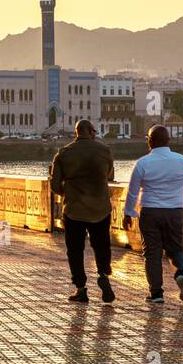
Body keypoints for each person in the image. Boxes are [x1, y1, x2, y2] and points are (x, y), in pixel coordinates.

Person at [122, 125, 183, 304]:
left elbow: (132, 192)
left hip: (151, 211)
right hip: (174, 211)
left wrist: (129, 212)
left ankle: (156, 293)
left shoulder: (143, 163)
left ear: (150, 141)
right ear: (168, 140)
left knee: (152, 253)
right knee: (175, 248)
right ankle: (181, 274)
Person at [49, 119, 116, 303]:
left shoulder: (64, 154)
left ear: (77, 132)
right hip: (100, 208)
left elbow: (55, 186)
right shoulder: (104, 150)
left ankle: (81, 288)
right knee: (102, 246)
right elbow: (109, 174)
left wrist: (68, 192)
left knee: (75, 250)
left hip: (74, 210)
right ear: (91, 131)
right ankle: (103, 275)